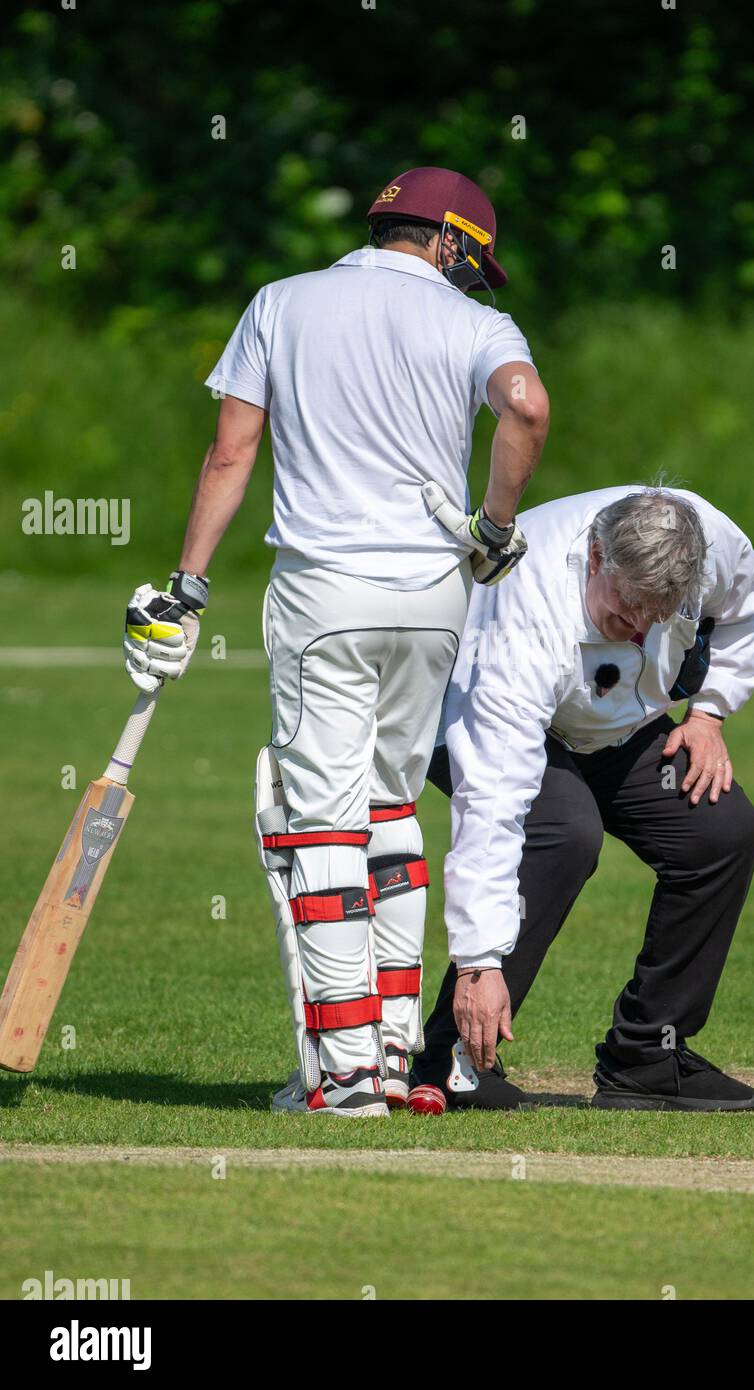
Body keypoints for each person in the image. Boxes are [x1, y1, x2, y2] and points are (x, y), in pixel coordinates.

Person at [122, 167, 549, 1117]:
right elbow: (525, 407)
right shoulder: (476, 328)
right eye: (472, 263)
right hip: (436, 597)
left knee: (314, 815)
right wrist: (492, 524)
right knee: (392, 808)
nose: (470, 281)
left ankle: (346, 1074)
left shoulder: (282, 302)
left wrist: (186, 589)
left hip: (325, 596)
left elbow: (231, 451)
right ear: (445, 240)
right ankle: (394, 1064)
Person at [411, 484, 754, 1111]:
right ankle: (453, 1062)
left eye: (657, 618)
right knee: (563, 830)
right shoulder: (524, 612)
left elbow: (750, 603)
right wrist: (478, 961)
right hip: (476, 711)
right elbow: (493, 806)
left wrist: (710, 713)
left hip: (617, 723)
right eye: (623, 613)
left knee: (721, 831)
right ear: (598, 556)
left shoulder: (709, 540)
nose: (638, 634)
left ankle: (647, 1058)